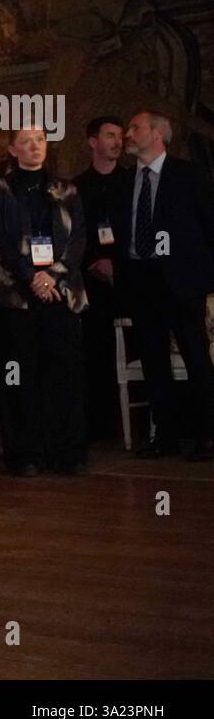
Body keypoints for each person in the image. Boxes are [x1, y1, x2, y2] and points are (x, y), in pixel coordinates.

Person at [0, 126, 88, 475]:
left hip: (60, 292)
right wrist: (31, 277)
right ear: (13, 149)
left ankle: (66, 451)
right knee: (19, 374)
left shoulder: (67, 188)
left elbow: (78, 239)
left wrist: (53, 275)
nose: (34, 147)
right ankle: (25, 452)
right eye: (26, 142)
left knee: (63, 371)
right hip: (18, 295)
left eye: (40, 141)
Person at [120, 111, 214, 461]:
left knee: (195, 356)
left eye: (135, 128)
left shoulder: (189, 175)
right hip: (142, 282)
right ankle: (166, 436)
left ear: (158, 134)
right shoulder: (126, 180)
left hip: (182, 282)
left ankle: (207, 434)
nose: (128, 134)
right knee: (153, 360)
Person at [73, 117, 130, 441]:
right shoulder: (77, 187)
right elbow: (74, 233)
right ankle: (100, 426)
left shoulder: (132, 181)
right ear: (93, 141)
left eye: (120, 136)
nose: (117, 142)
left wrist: (117, 263)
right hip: (92, 282)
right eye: (110, 135)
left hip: (128, 280)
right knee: (95, 352)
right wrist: (95, 260)